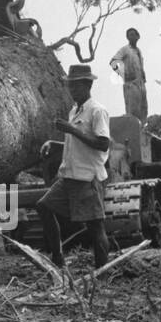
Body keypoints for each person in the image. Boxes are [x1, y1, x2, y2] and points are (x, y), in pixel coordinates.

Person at [35, 63, 112, 270]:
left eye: (76, 86)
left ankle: (102, 272)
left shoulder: (97, 111)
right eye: (70, 86)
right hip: (68, 176)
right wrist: (55, 143)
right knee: (43, 206)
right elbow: (75, 143)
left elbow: (103, 143)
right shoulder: (74, 111)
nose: (72, 91)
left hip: (87, 179)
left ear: (88, 86)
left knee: (95, 226)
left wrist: (71, 129)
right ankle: (57, 257)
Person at [109, 27, 148, 122]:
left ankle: (141, 131)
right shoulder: (125, 49)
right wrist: (123, 74)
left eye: (133, 34)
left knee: (143, 110)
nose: (131, 37)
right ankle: (132, 131)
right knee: (133, 110)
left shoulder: (139, 51)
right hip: (131, 83)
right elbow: (113, 62)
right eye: (129, 35)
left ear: (138, 37)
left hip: (141, 84)